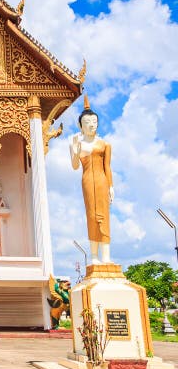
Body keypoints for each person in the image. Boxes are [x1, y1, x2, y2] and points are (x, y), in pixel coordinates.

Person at [69, 97, 114, 265]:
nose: (91, 125)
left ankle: (106, 256)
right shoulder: (76, 144)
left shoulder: (105, 144)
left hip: (102, 180)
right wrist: (75, 152)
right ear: (81, 126)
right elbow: (74, 166)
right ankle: (94, 256)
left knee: (104, 216)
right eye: (87, 122)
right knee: (92, 215)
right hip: (87, 180)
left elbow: (107, 167)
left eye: (94, 121)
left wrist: (111, 186)